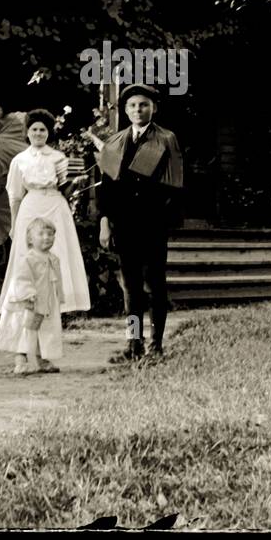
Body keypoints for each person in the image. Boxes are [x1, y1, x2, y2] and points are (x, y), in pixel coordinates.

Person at [0, 109, 91, 367]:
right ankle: (20, 352)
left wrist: (77, 183)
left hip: (55, 211)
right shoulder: (19, 160)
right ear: (27, 132)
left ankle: (44, 354)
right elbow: (15, 196)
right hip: (29, 211)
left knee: (49, 280)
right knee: (25, 280)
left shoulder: (59, 157)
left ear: (49, 133)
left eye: (43, 130)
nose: (38, 133)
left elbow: (66, 188)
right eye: (34, 129)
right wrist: (15, 226)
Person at [97, 84, 184, 361]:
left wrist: (165, 220)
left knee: (155, 285)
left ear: (153, 108)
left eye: (143, 104)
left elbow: (175, 185)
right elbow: (107, 187)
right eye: (133, 105)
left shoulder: (166, 139)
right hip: (124, 224)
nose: (138, 109)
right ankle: (133, 343)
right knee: (131, 287)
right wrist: (105, 222)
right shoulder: (115, 142)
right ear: (125, 110)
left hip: (153, 223)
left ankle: (156, 345)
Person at [0, 218, 65, 375]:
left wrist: (59, 296)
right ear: (30, 239)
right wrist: (28, 294)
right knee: (25, 330)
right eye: (41, 234)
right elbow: (21, 278)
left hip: (46, 303)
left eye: (50, 234)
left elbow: (55, 280)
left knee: (45, 331)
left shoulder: (53, 259)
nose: (46, 237)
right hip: (28, 302)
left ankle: (42, 359)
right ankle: (21, 361)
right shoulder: (27, 260)